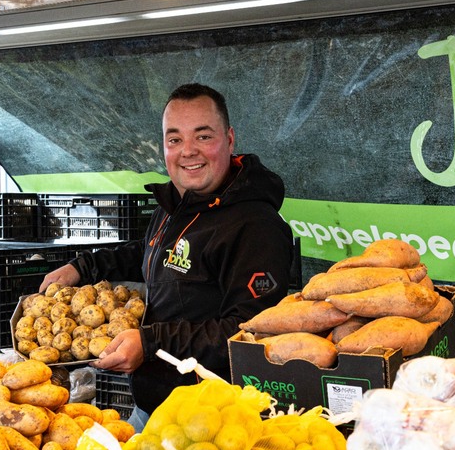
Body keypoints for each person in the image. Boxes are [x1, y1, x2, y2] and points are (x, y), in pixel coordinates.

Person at [39, 83, 294, 430]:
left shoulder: (256, 227)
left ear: (230, 139)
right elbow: (153, 254)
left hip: (213, 423)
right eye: (175, 139)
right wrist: (83, 266)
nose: (188, 151)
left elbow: (250, 332)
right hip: (153, 407)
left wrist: (150, 343)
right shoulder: (177, 204)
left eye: (203, 136)